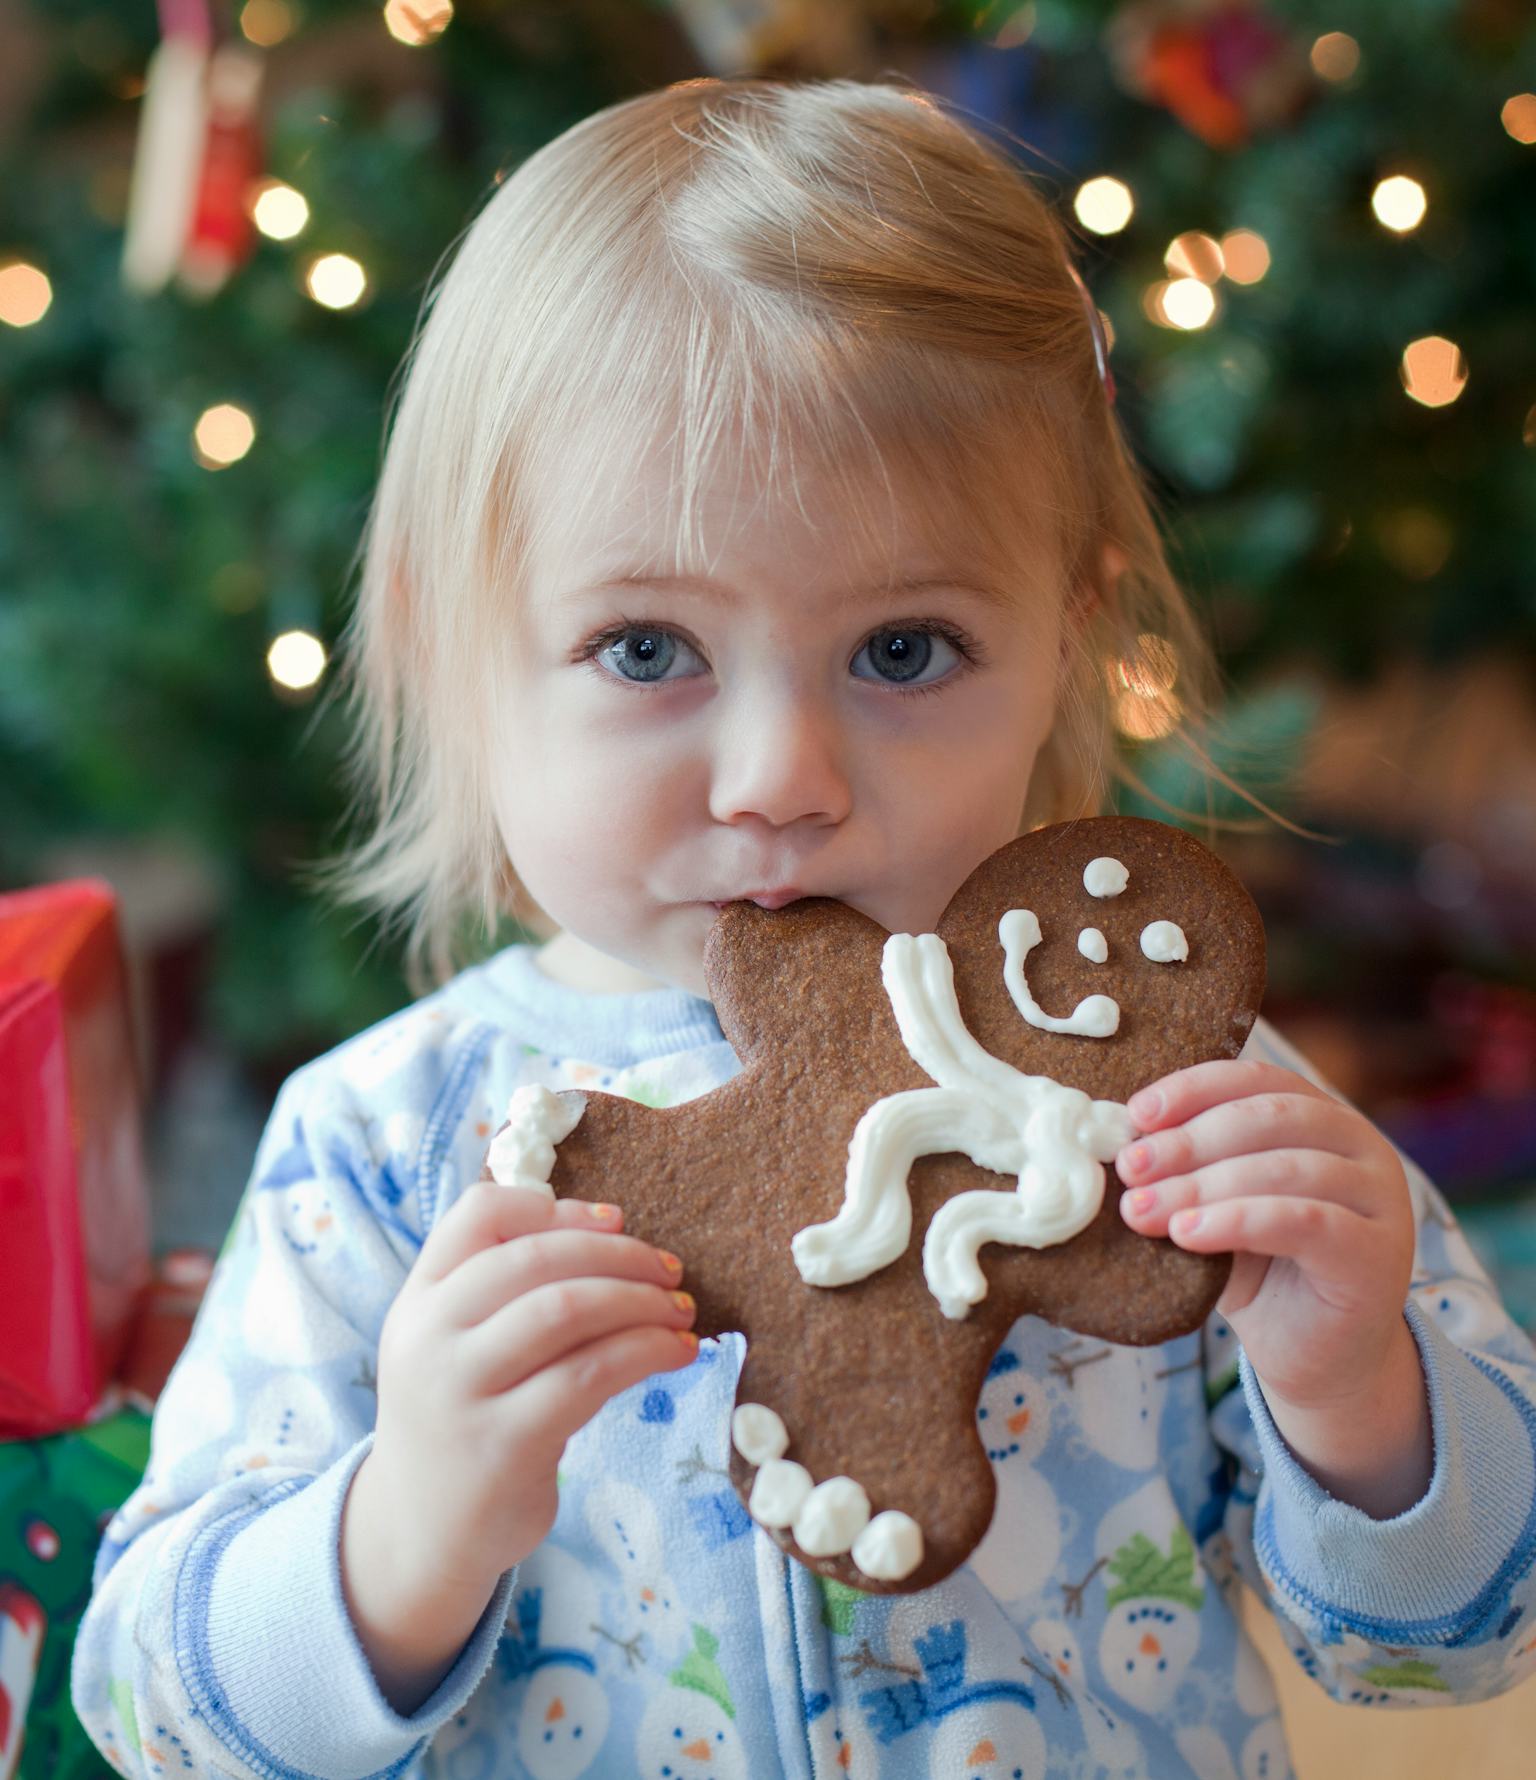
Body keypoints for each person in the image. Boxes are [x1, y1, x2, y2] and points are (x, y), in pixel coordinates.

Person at [73, 75, 1536, 1780]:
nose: (780, 779)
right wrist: (401, 1533)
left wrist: (1361, 1393)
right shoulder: (387, 1153)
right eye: (647, 650)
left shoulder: (1177, 1109)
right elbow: (152, 1715)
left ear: (1066, 641)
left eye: (904, 651)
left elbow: (1464, 1643)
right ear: (450, 646)